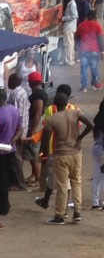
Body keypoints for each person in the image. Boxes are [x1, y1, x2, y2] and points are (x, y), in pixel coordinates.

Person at [39, 90, 92, 224]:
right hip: (76, 153)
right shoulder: (76, 113)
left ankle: (60, 215)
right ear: (67, 103)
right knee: (76, 182)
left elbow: (45, 140)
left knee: (62, 186)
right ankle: (77, 212)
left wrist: (45, 155)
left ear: (55, 105)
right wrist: (79, 138)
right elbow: (91, 125)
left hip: (61, 154)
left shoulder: (52, 119)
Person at [0, 88, 21, 217]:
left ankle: (2, 206)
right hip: (10, 150)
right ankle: (4, 204)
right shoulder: (14, 110)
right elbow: (20, 128)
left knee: (0, 180)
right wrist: (13, 140)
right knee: (5, 179)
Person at [25, 71, 49, 188]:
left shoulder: (38, 95)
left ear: (31, 83)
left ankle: (38, 179)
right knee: (30, 151)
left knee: (34, 152)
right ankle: (34, 175)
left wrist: (32, 130)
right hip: (37, 123)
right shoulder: (40, 92)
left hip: (36, 124)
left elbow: (38, 112)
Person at [75, 11, 104, 91]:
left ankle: (84, 87)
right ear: (95, 17)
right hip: (94, 51)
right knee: (94, 68)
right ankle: (94, 84)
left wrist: (77, 48)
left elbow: (77, 37)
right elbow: (100, 39)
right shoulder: (97, 26)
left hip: (83, 50)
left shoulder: (81, 25)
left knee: (84, 68)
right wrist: (102, 51)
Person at [91, 98, 104, 210]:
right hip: (103, 151)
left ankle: (95, 202)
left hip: (97, 149)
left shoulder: (98, 118)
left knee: (97, 177)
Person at [61, 0, 79, 66]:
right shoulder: (71, 4)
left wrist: (63, 18)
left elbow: (75, 16)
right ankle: (68, 59)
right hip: (69, 27)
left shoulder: (72, 5)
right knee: (69, 44)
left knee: (69, 44)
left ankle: (69, 60)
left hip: (69, 27)